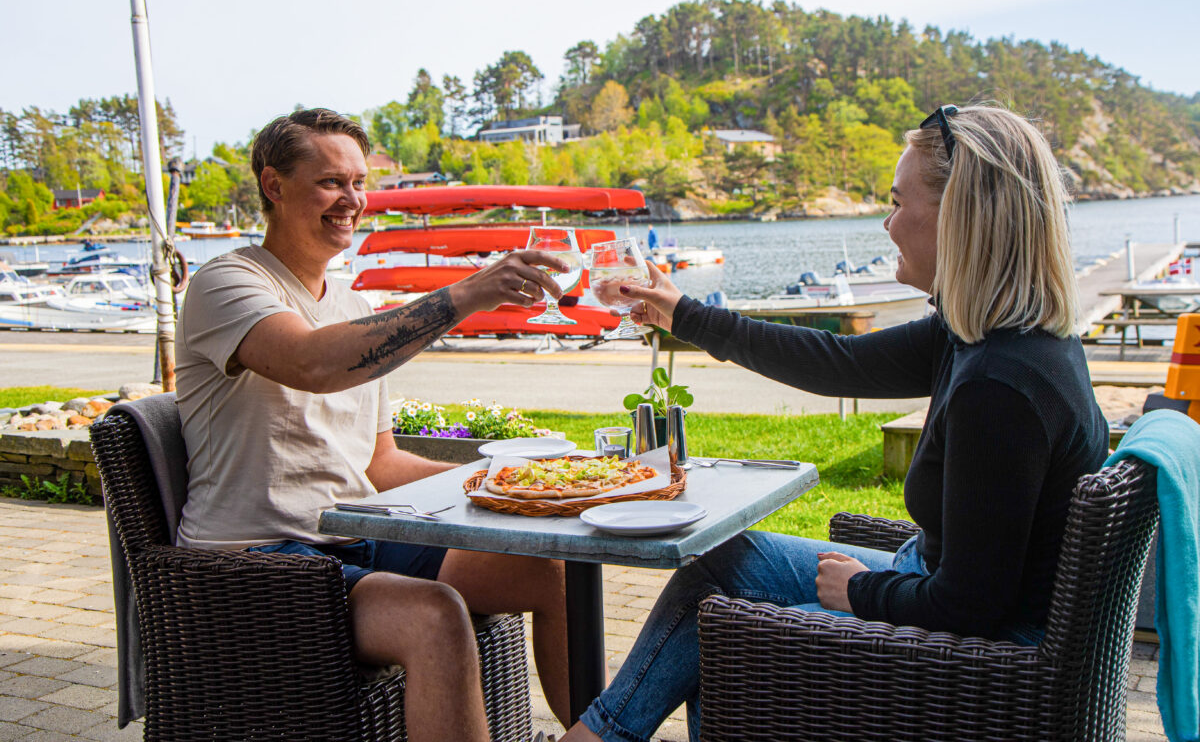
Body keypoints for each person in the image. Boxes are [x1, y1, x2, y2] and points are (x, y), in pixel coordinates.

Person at [559, 104, 1110, 742]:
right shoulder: (988, 335)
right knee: (720, 561)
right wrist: (684, 315)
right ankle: (600, 735)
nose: (887, 221)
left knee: (725, 633)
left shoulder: (1002, 384)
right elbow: (839, 362)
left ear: (962, 216)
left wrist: (864, 592)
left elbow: (972, 605)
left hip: (980, 654)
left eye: (900, 202)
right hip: (938, 588)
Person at [174, 108, 572, 742]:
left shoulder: (354, 307)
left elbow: (378, 464)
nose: (353, 200)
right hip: (254, 563)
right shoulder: (227, 282)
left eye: (360, 183)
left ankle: (592, 732)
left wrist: (505, 482)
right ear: (274, 186)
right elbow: (311, 363)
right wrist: (466, 294)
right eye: (333, 181)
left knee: (549, 567)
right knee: (433, 614)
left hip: (355, 543)